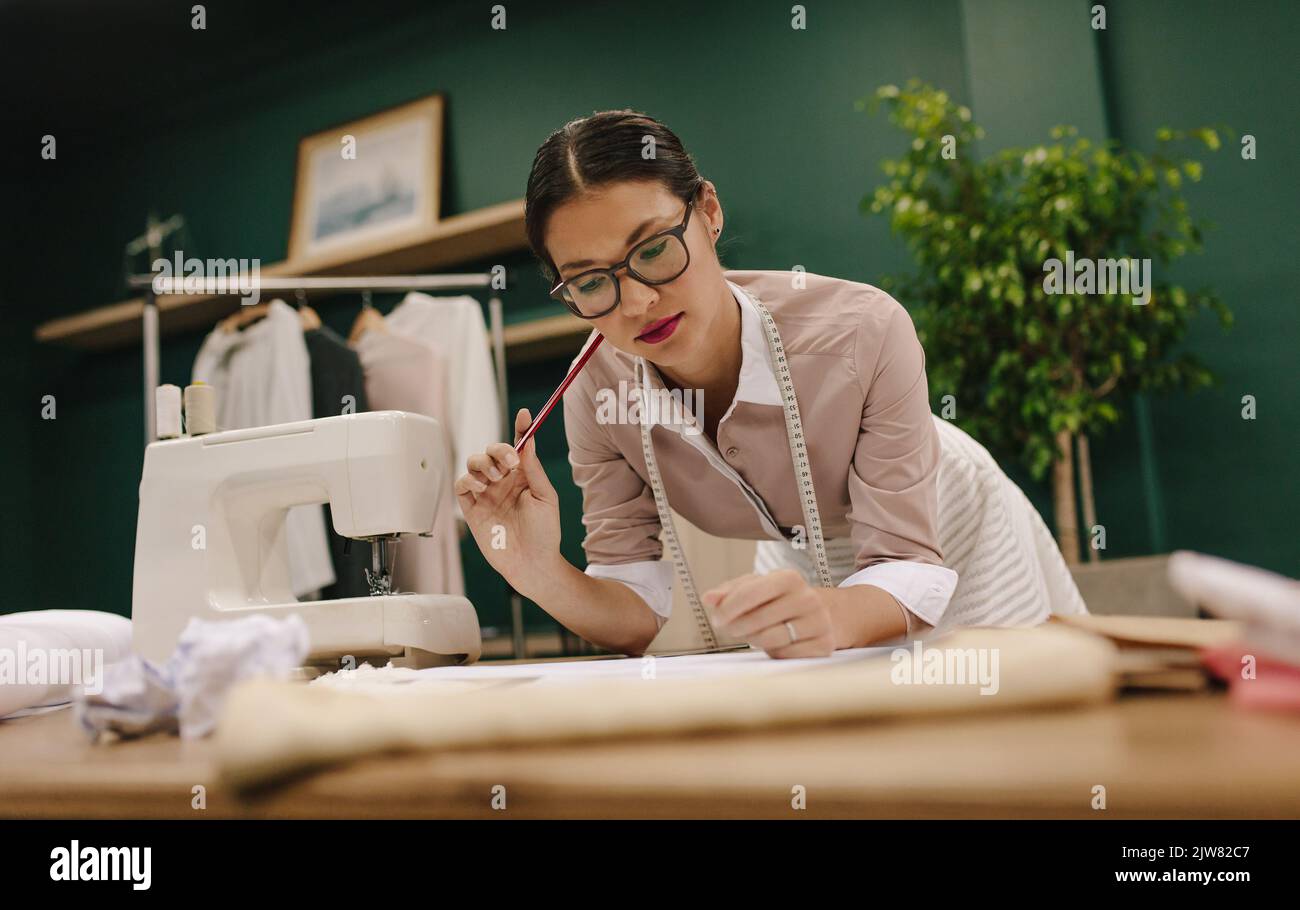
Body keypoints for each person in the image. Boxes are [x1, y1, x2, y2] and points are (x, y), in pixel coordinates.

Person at [454, 109, 1085, 659]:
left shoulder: (863, 331)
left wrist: (831, 613)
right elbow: (634, 614)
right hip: (800, 556)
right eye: (591, 282)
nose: (638, 301)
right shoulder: (597, 391)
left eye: (652, 250)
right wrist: (532, 566)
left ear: (708, 211)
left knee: (1003, 714)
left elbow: (907, 567)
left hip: (946, 525)